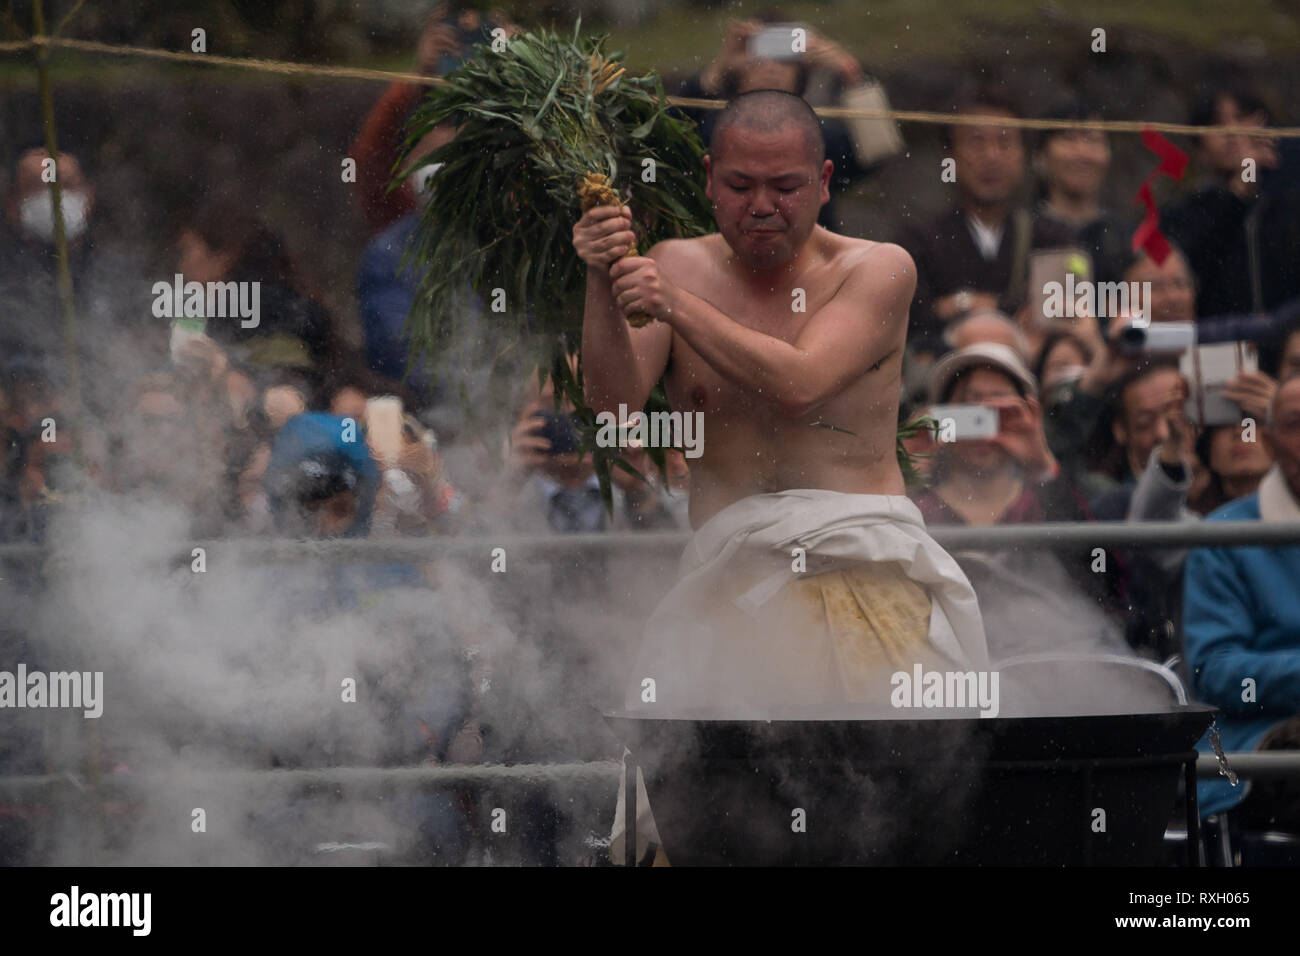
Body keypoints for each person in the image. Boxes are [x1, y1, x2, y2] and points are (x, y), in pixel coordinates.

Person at [575, 89, 988, 862]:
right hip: (726, 594)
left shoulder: (878, 270)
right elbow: (614, 410)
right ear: (707, 178)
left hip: (865, 582)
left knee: (886, 832)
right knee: (709, 842)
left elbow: (801, 382)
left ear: (826, 181)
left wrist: (675, 307)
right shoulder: (672, 265)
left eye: (785, 186)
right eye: (740, 185)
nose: (762, 205)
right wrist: (603, 280)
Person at [1184, 375, 1300, 828]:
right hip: (1261, 734)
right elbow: (1214, 671)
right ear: (1269, 441)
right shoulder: (1224, 534)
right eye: (1295, 423)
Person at [893, 85, 1073, 360]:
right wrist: (1010, 307)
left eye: (1005, 143)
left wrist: (959, 304)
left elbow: (1055, 315)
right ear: (949, 155)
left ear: (1023, 155)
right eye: (976, 142)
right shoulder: (918, 238)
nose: (991, 156)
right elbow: (913, 318)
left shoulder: (1052, 236)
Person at [1162, 84, 1300, 319]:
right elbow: (1188, 265)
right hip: (1219, 343)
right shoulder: (1185, 212)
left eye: (1242, 118)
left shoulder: (1290, 199)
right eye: (1216, 124)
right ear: (1200, 148)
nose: (1232, 132)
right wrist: (1241, 185)